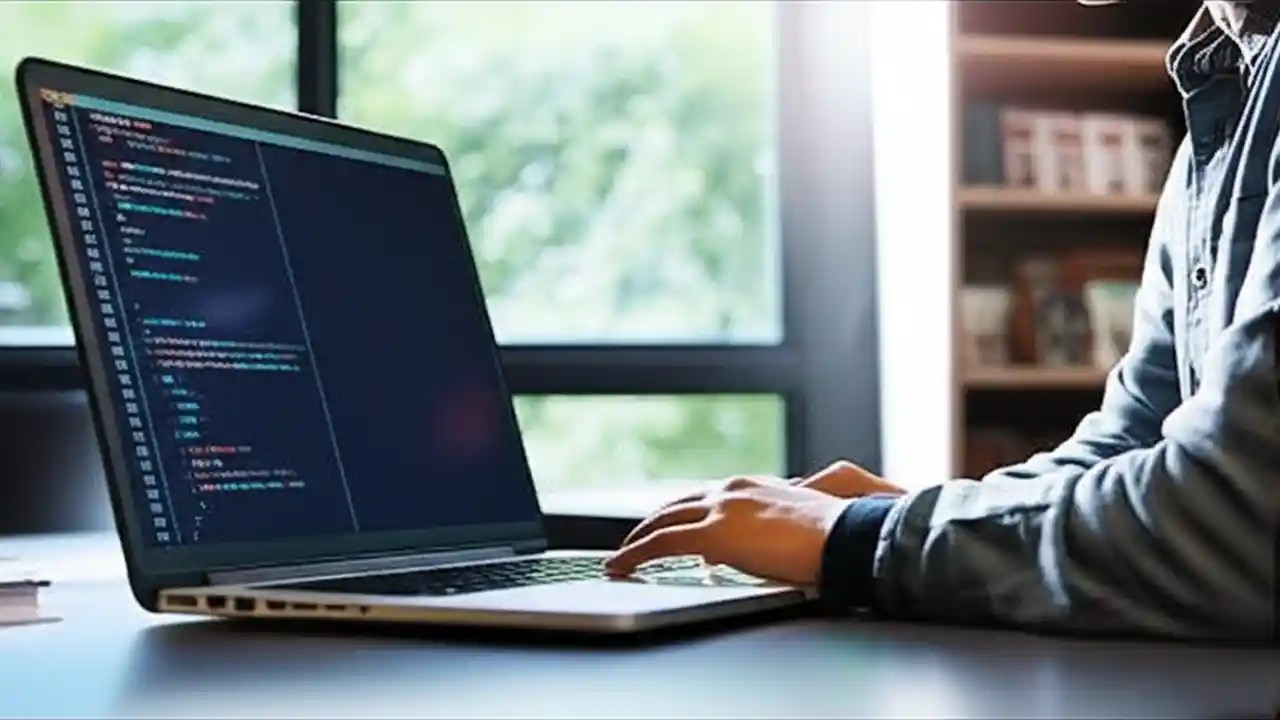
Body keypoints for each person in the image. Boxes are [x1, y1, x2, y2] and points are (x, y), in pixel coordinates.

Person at [605, 0, 1278, 640]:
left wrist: (863, 536)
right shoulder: (1227, 105)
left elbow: (1236, 526)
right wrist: (933, 518)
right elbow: (1130, 444)